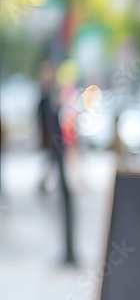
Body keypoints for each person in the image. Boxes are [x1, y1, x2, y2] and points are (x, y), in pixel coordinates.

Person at [37, 60, 76, 266]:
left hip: (58, 153)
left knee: (66, 196)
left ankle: (69, 252)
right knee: (62, 196)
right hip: (54, 153)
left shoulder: (53, 96)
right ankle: (68, 251)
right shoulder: (44, 98)